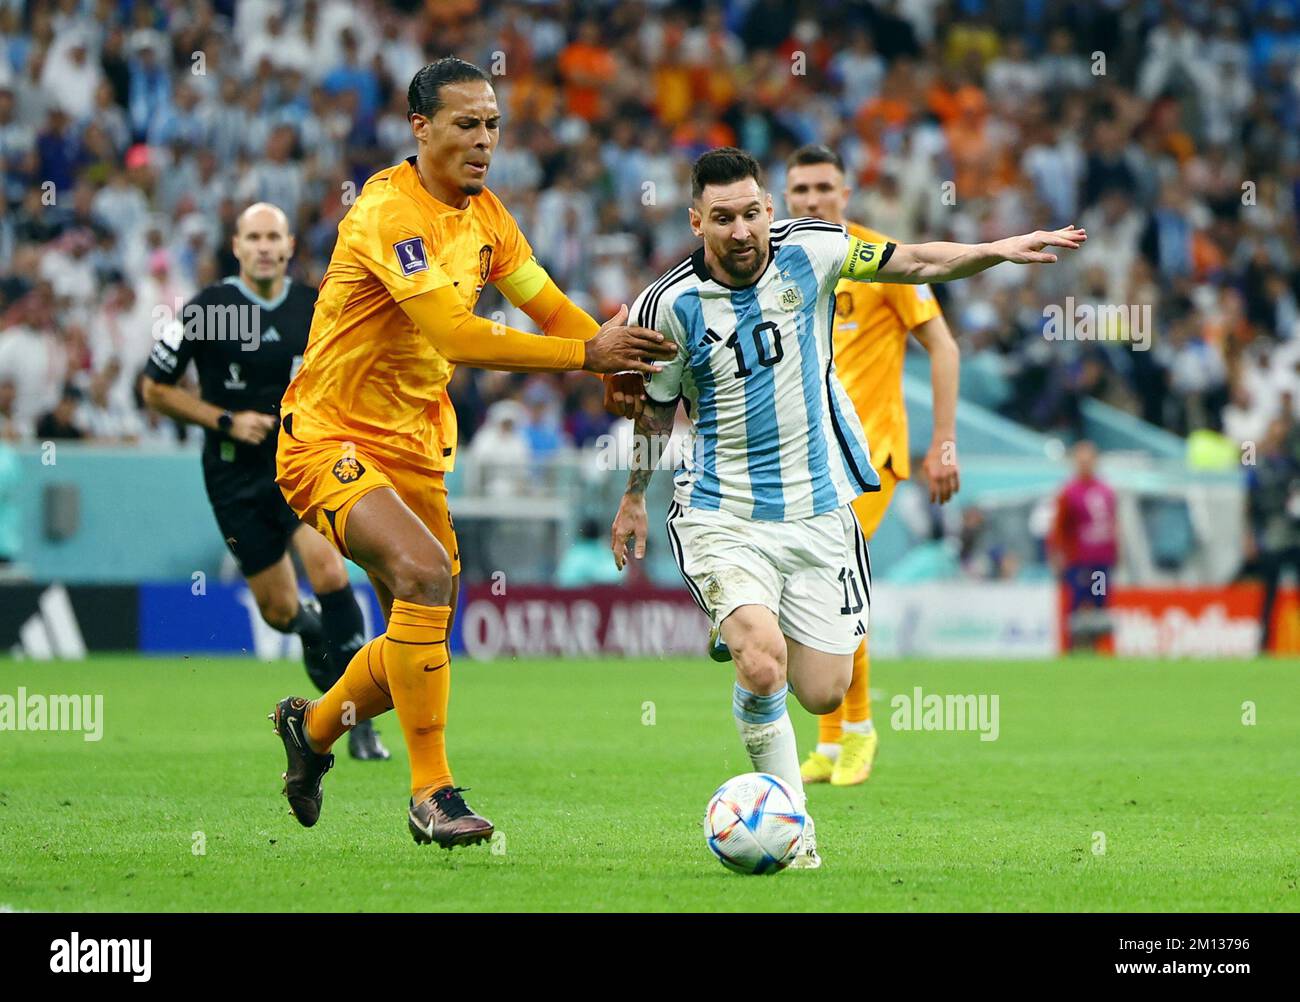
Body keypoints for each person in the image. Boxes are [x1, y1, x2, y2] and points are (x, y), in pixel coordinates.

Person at [610, 147, 1083, 868]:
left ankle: (754, 654)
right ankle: (793, 828)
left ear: (769, 210)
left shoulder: (818, 251)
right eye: (723, 218)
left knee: (822, 693)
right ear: (696, 220)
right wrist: (632, 500)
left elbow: (920, 261)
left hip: (820, 511)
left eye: (752, 214)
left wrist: (995, 249)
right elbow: (653, 415)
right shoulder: (668, 305)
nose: (742, 232)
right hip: (721, 512)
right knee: (764, 663)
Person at [270, 57, 675, 849]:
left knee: (418, 622)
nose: (484, 139)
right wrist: (587, 358)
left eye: (492, 125)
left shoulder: (490, 216)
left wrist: (617, 361)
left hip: (417, 446)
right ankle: (433, 795)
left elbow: (551, 307)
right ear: (421, 128)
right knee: (426, 577)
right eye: (466, 124)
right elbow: (454, 335)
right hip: (330, 436)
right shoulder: (388, 212)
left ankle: (311, 730)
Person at [142, 202, 389, 760]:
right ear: (236, 246)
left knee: (329, 568)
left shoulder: (313, 306)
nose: (263, 246)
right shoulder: (206, 309)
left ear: (289, 245)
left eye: (273, 237)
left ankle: (357, 718)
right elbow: (154, 388)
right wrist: (223, 419)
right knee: (280, 612)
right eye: (252, 237)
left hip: (300, 462)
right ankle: (309, 634)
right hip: (233, 475)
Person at [782, 143, 961, 789]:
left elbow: (942, 346)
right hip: (804, 460)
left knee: (831, 583)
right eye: (800, 190)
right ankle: (830, 745)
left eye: (823, 188)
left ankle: (857, 731)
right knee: (807, 593)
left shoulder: (878, 258)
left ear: (846, 192)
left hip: (872, 457)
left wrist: (943, 441)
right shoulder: (778, 264)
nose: (811, 201)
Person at [1048, 440, 1118, 652]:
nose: (1085, 465)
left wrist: (1115, 552)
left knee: (1098, 601)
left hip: (1100, 562)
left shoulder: (1106, 491)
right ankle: (1071, 647)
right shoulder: (1068, 493)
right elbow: (1058, 528)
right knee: (1076, 602)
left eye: (1088, 460)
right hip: (1078, 562)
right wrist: (1057, 555)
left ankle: (1097, 647)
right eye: (1081, 461)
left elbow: (1112, 525)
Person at [1244, 417, 1300, 654]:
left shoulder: (1292, 461)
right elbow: (1244, 465)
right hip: (1270, 535)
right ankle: (1264, 643)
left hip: (1295, 533)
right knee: (1269, 594)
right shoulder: (1257, 460)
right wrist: (1248, 536)